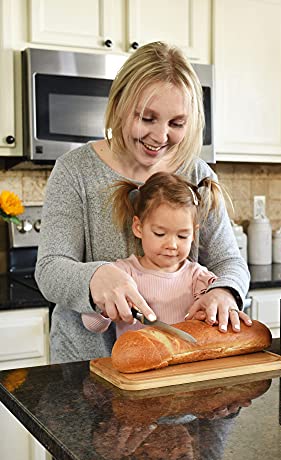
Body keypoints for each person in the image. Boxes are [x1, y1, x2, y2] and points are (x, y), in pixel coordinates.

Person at [35, 41, 251, 364]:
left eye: (176, 123)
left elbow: (229, 262)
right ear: (120, 104)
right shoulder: (74, 171)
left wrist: (223, 291)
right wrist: (94, 278)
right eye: (147, 118)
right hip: (84, 369)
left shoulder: (197, 173)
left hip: (174, 370)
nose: (161, 136)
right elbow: (50, 269)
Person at [81, 172, 220, 337]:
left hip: (185, 362)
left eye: (182, 236)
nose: (172, 245)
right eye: (160, 234)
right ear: (138, 228)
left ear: (194, 234)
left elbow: (216, 315)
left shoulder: (198, 278)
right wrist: (103, 310)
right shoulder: (123, 273)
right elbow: (92, 325)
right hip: (135, 361)